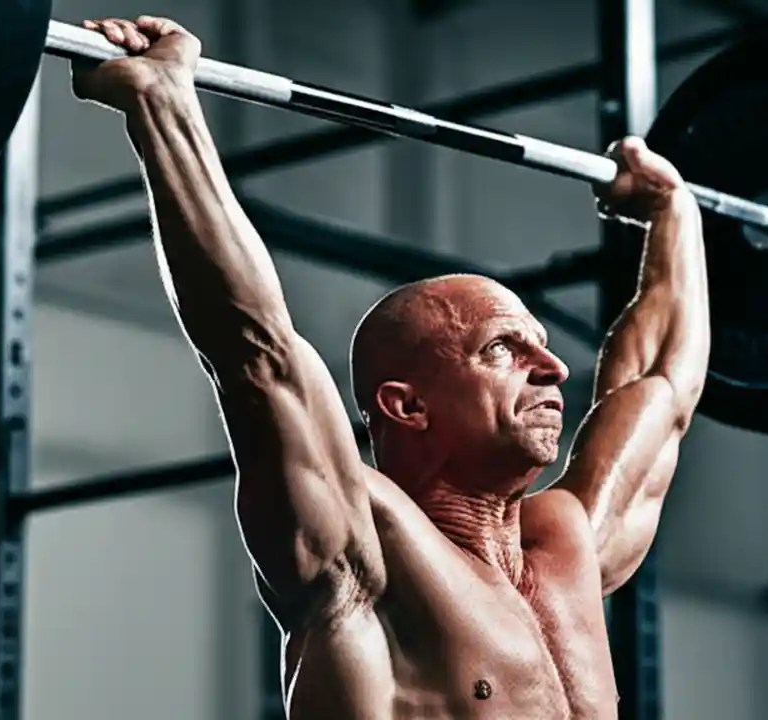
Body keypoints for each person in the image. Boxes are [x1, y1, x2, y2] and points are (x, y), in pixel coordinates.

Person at [73, 15, 709, 719]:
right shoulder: (365, 551)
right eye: (503, 349)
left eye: (542, 345)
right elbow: (254, 350)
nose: (554, 368)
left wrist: (673, 214)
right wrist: (162, 105)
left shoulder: (566, 546)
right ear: (407, 405)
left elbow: (662, 392)